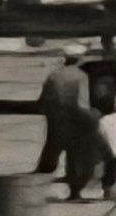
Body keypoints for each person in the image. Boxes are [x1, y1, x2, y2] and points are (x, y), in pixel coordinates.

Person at [35, 54, 97, 188]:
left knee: (52, 141)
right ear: (79, 59)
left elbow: (44, 96)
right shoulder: (81, 76)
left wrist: (45, 109)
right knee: (74, 146)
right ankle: (73, 176)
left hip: (55, 113)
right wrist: (90, 116)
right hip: (73, 114)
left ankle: (45, 169)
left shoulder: (54, 74)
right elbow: (82, 101)